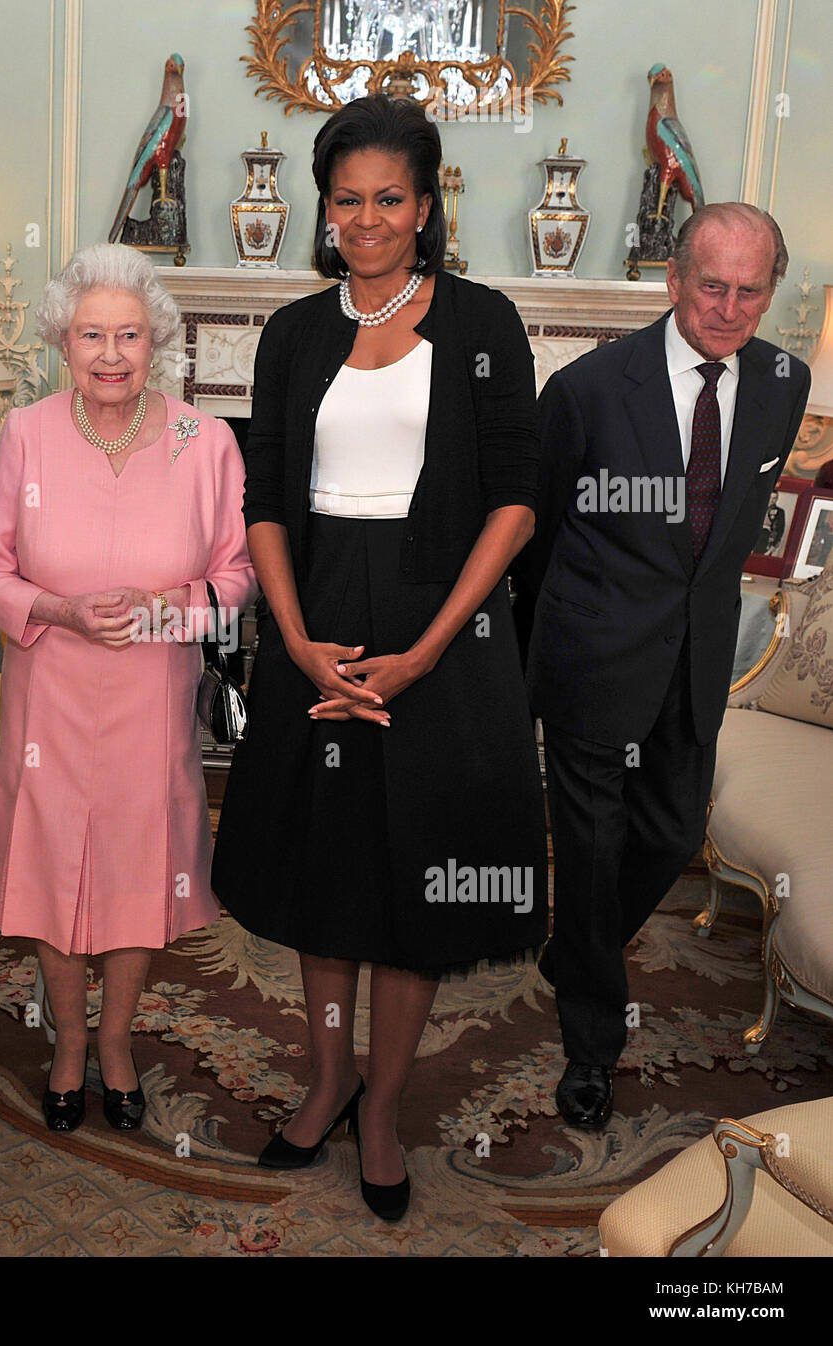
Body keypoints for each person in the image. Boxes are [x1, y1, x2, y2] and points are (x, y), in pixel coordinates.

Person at [211, 94, 546, 1223]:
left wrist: (427, 649)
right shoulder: (293, 332)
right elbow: (263, 498)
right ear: (325, 205)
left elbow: (513, 502)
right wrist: (294, 639)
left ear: (425, 203)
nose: (365, 219)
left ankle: (385, 1105)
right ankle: (325, 1079)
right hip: (316, 628)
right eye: (346, 199)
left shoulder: (485, 322)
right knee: (324, 878)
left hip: (441, 633)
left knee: (414, 888)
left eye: (388, 198)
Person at [516, 202, 812, 1129]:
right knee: (596, 853)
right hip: (592, 655)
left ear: (771, 293)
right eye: (712, 286)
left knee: (676, 829)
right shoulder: (591, 388)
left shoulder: (783, 381)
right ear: (675, 278)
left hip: (694, 661)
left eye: (749, 292)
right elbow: (534, 534)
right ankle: (592, 1047)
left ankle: (576, 947)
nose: (728, 308)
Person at [0, 242, 255, 1136]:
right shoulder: (26, 434)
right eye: (93, 335)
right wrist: (62, 610)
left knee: (135, 871)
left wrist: (163, 611)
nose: (112, 353)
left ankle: (116, 1043)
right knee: (50, 868)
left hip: (151, 702)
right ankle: (68, 1045)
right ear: (62, 342)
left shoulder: (208, 444)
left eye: (129, 334)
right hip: (50, 690)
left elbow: (236, 581)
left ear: (155, 339)